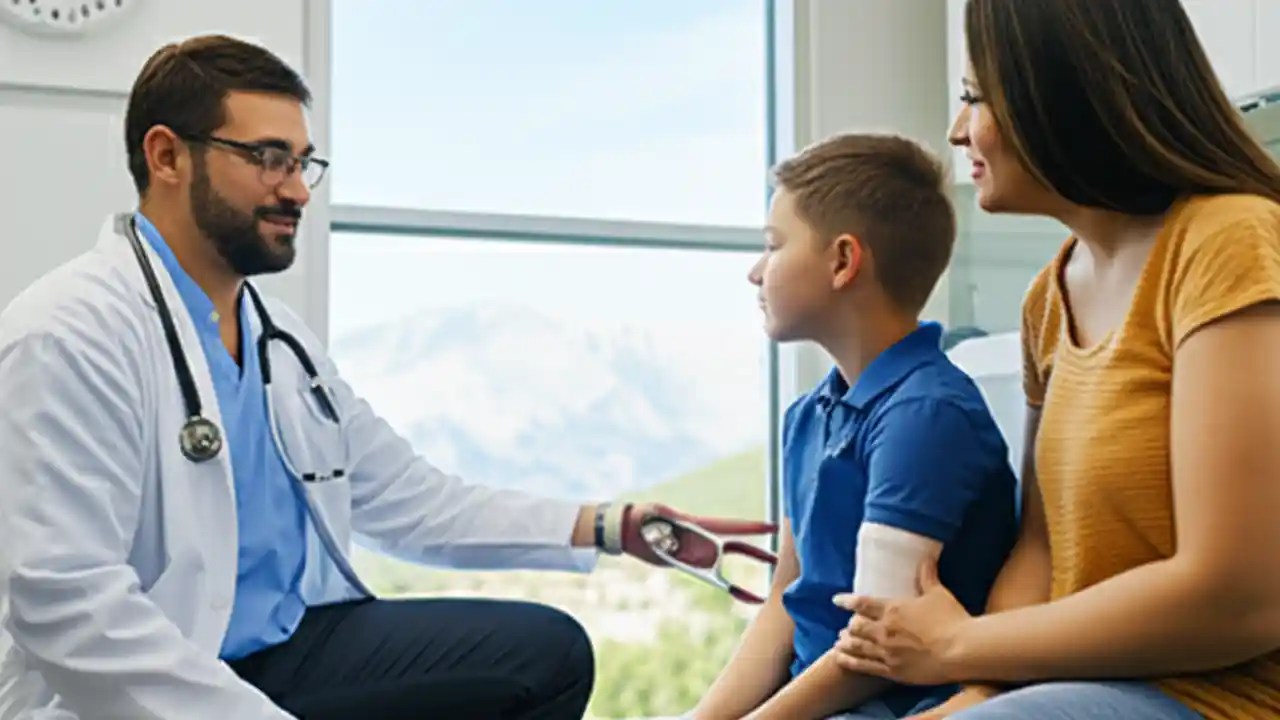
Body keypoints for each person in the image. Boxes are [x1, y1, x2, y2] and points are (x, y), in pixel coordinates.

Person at [0, 34, 773, 720]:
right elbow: (67, 606)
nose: (297, 189)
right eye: (268, 158)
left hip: (282, 650)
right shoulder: (67, 334)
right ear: (167, 156)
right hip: (140, 687)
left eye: (304, 164)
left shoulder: (280, 344)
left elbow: (413, 500)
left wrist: (608, 526)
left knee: (546, 656)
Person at [830, 1, 1280, 719]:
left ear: (1063, 90)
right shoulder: (1048, 297)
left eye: (975, 97)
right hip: (1070, 688)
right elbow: (1038, 553)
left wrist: (959, 650)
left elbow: (1238, 595)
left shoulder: (1228, 241)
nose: (956, 131)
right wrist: (971, 694)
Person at [687, 133, 1018, 720]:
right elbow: (786, 603)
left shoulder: (925, 415)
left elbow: (873, 647)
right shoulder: (807, 414)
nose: (756, 272)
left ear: (843, 260)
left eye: (774, 245)